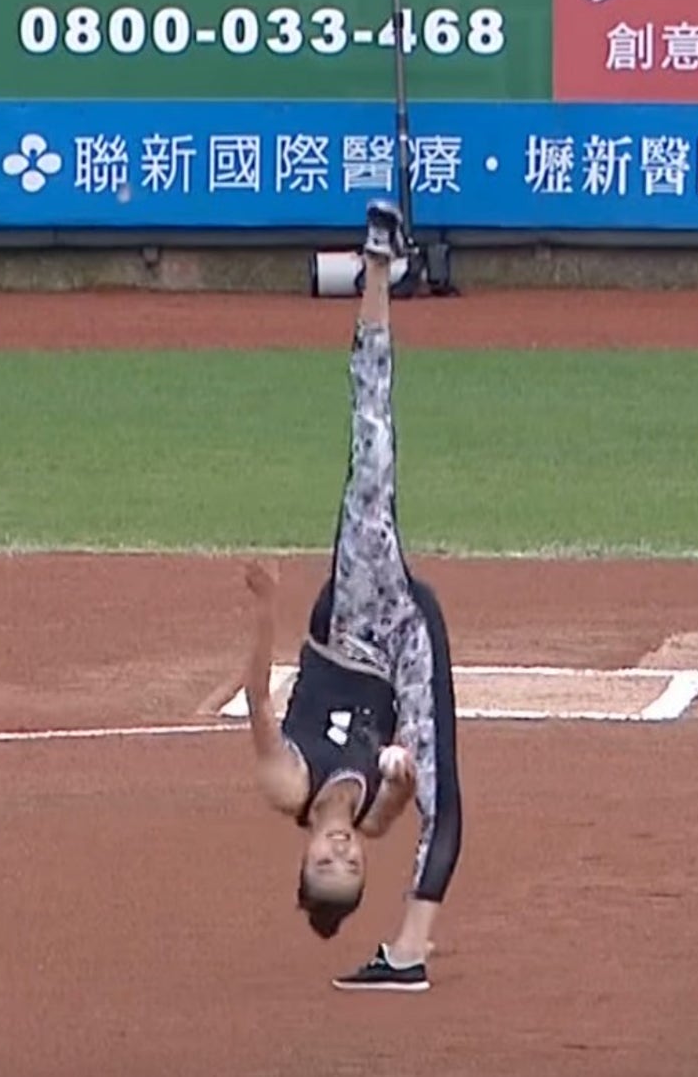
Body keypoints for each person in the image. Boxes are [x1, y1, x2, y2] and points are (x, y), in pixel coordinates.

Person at [237, 200, 463, 993]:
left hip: (350, 619)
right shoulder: (371, 815)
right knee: (441, 795)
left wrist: (266, 607)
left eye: (324, 865)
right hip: (403, 644)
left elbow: (259, 705)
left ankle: (376, 267)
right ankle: (408, 951)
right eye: (351, 868)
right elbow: (401, 781)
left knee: (373, 459)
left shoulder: (287, 789)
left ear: (303, 858)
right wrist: (400, 770)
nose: (340, 852)